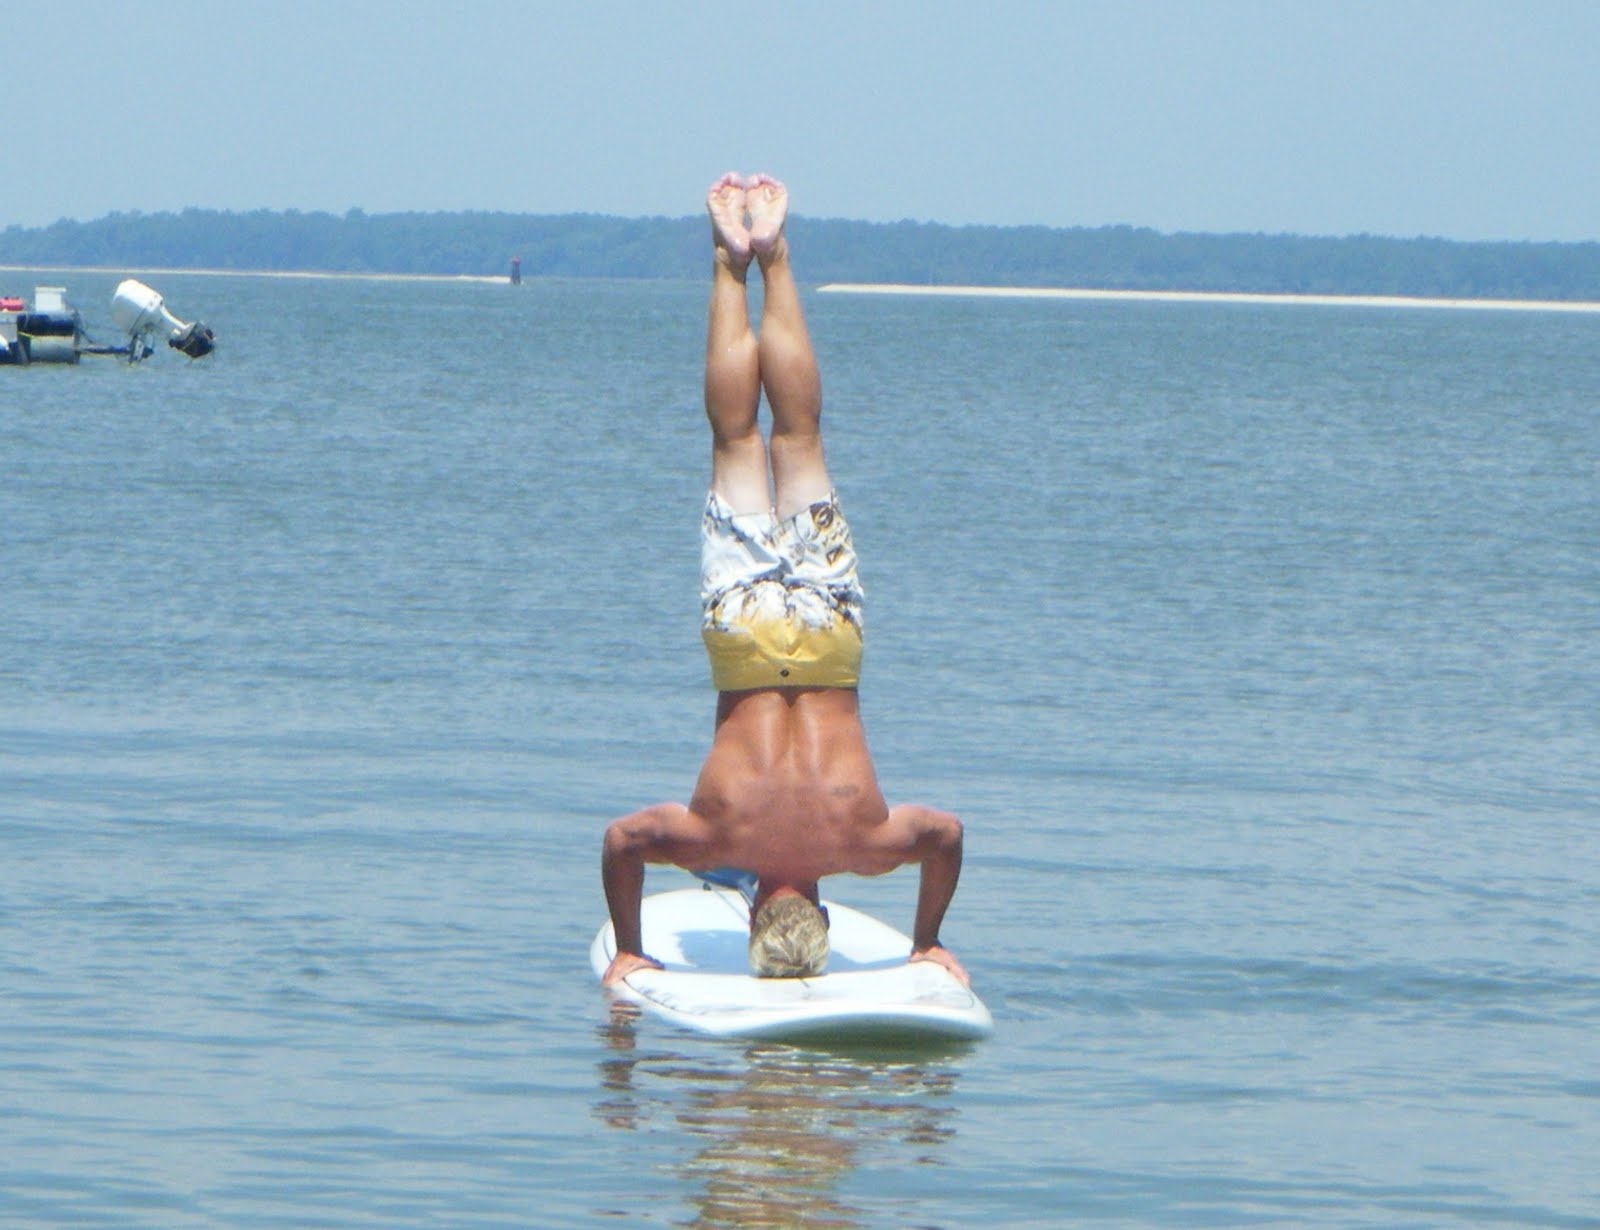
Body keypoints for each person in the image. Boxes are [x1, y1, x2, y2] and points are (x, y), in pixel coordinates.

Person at [600, 173, 968, 988]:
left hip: (831, 641)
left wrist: (929, 934)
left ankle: (777, 254)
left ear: (820, 913)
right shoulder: (715, 842)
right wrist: (627, 938)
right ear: (758, 907)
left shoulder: (863, 844)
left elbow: (945, 835)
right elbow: (623, 841)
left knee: (797, 438)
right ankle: (734, 260)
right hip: (746, 635)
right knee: (737, 439)